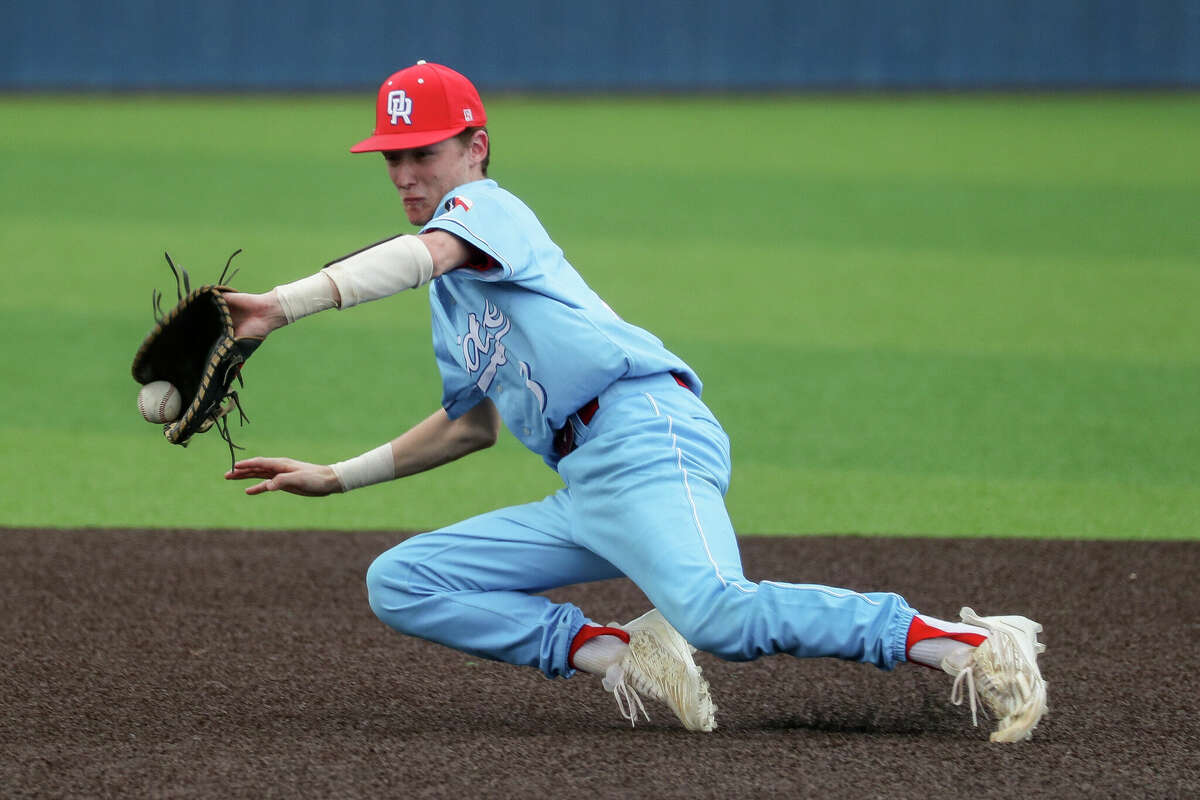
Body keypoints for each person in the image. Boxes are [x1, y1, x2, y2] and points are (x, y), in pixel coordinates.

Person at [224, 61, 1048, 740]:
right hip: (589, 490)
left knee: (721, 615)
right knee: (401, 580)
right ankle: (621, 653)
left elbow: (417, 254)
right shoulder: (450, 303)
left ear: (475, 147)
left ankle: (965, 642)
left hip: (646, 431)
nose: (406, 175)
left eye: (423, 153)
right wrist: (335, 477)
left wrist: (281, 304)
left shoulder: (485, 211)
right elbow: (470, 428)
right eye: (392, 160)